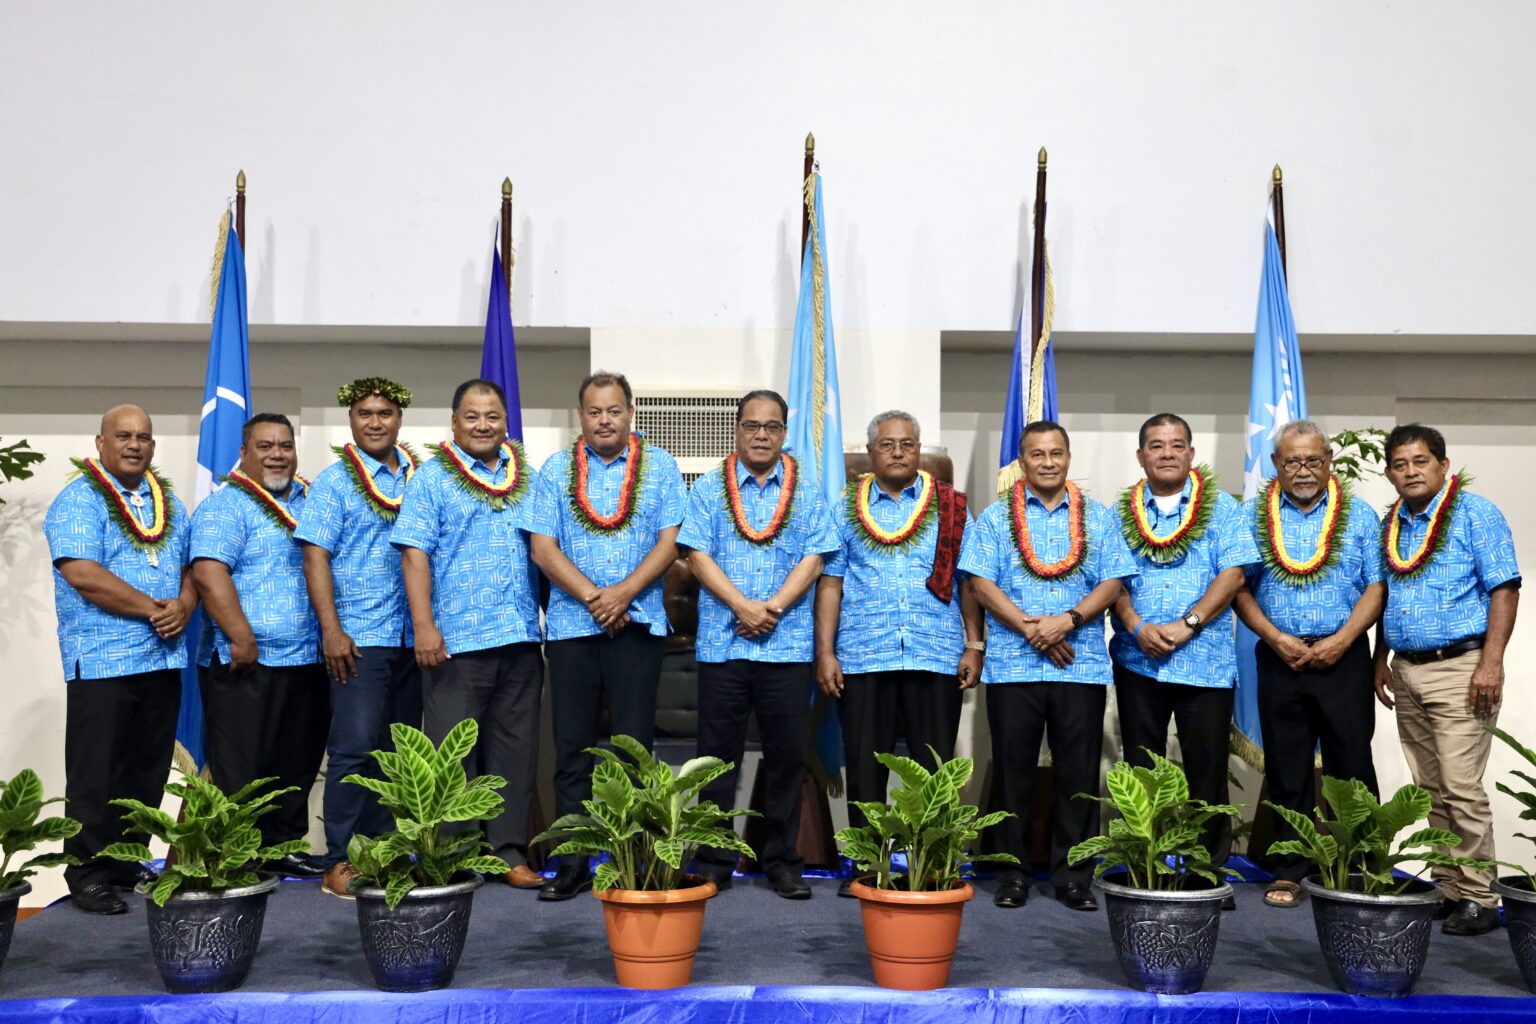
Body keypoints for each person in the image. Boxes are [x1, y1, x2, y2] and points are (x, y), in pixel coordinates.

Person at [958, 420, 1136, 911]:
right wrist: (1031, 628)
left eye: (1056, 453)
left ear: (1068, 458)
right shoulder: (996, 519)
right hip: (1014, 667)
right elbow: (979, 583)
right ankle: (1011, 873)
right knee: (1012, 771)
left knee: (1077, 774)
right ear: (1023, 461)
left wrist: (1068, 620)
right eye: (1037, 454)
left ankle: (1073, 875)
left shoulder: (1098, 518)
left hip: (1079, 665)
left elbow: (1113, 582)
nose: (1048, 462)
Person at [527, 370, 687, 901]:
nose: (604, 420)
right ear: (581, 416)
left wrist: (623, 594)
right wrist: (598, 597)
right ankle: (571, 865)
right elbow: (543, 549)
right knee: (571, 749)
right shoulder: (554, 470)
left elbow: (669, 544)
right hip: (574, 628)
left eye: (613, 410)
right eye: (594, 412)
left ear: (630, 413)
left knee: (636, 750)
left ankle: (635, 861)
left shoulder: (660, 467)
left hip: (638, 626)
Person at [816, 410, 985, 899]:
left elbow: (968, 581)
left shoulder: (951, 507)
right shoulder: (845, 508)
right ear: (871, 453)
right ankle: (867, 869)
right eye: (887, 444)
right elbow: (831, 583)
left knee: (933, 773)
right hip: (865, 656)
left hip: (935, 655)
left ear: (919, 450)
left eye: (907, 444)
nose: (897, 451)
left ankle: (932, 866)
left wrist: (974, 644)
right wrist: (825, 652)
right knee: (865, 770)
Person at [679, 389, 839, 899]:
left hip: (786, 647)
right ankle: (713, 859)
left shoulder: (807, 493)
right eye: (752, 426)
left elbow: (815, 558)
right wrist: (743, 607)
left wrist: (769, 608)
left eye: (772, 427)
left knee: (787, 759)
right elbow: (696, 555)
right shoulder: (707, 489)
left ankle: (783, 860)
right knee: (715, 759)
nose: (762, 435)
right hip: (724, 646)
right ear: (737, 430)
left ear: (785, 433)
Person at [389, 379, 545, 889]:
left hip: (520, 638)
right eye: (472, 417)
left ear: (506, 423)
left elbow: (544, 554)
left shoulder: (529, 479)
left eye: (493, 416)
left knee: (514, 753)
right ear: (454, 423)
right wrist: (424, 627)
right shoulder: (432, 480)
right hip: (455, 643)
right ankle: (450, 858)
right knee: (449, 757)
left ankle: (507, 854)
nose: (483, 425)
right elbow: (415, 554)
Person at [43, 405, 197, 915]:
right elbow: (83, 572)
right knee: (96, 773)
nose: (135, 445)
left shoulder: (166, 500)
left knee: (147, 772)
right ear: (101, 442)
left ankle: (128, 866)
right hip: (103, 661)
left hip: (162, 660)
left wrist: (184, 606)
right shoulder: (79, 499)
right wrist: (156, 610)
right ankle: (87, 873)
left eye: (144, 437)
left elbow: (192, 567)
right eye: (124, 435)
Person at [1374, 423, 1521, 937]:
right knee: (1430, 787)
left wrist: (1491, 663)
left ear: (1442, 464)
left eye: (1420, 461)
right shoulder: (1392, 524)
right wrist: (1380, 658)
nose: (1410, 471)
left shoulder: (1475, 514)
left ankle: (1481, 896)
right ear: (1389, 473)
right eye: (1399, 464)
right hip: (1406, 668)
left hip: (1463, 667)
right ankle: (1448, 886)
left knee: (1461, 785)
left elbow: (1504, 589)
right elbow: (1387, 598)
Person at [1108, 413, 1260, 904]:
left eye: (1177, 445)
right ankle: (1146, 868)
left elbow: (1234, 575)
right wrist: (1136, 626)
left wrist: (1187, 623)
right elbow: (1112, 580)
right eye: (1156, 445)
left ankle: (1204, 874)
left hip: (1206, 664)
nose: (1167, 453)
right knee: (1141, 769)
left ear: (1192, 454)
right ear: (1141, 456)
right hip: (1139, 660)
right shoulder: (1119, 514)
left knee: (1207, 771)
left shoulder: (1224, 510)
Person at [1233, 420, 1384, 909]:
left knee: (1352, 764)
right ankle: (1292, 869)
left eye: (1313, 460)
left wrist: (1343, 640)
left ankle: (1359, 869)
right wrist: (1275, 638)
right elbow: (1238, 588)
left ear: (1329, 463)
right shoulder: (1252, 516)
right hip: (1280, 657)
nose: (1303, 470)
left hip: (1344, 657)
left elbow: (1376, 586)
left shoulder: (1358, 515)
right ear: (1276, 464)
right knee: (1287, 767)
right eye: (1292, 461)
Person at [295, 377, 425, 898]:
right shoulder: (334, 483)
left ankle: (386, 852)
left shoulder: (423, 478)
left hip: (412, 637)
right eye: (366, 413)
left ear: (400, 420)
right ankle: (340, 859)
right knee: (352, 749)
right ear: (351, 419)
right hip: (359, 637)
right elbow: (314, 554)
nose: (376, 422)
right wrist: (331, 629)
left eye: (386, 413)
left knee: (397, 751)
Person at [191, 413, 326, 876]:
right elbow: (209, 572)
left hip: (307, 656)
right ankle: (239, 856)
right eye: (265, 446)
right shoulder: (225, 506)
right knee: (244, 765)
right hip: (246, 660)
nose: (277, 454)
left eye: (285, 446)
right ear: (244, 452)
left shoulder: (311, 501)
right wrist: (240, 635)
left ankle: (283, 847)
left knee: (297, 759)